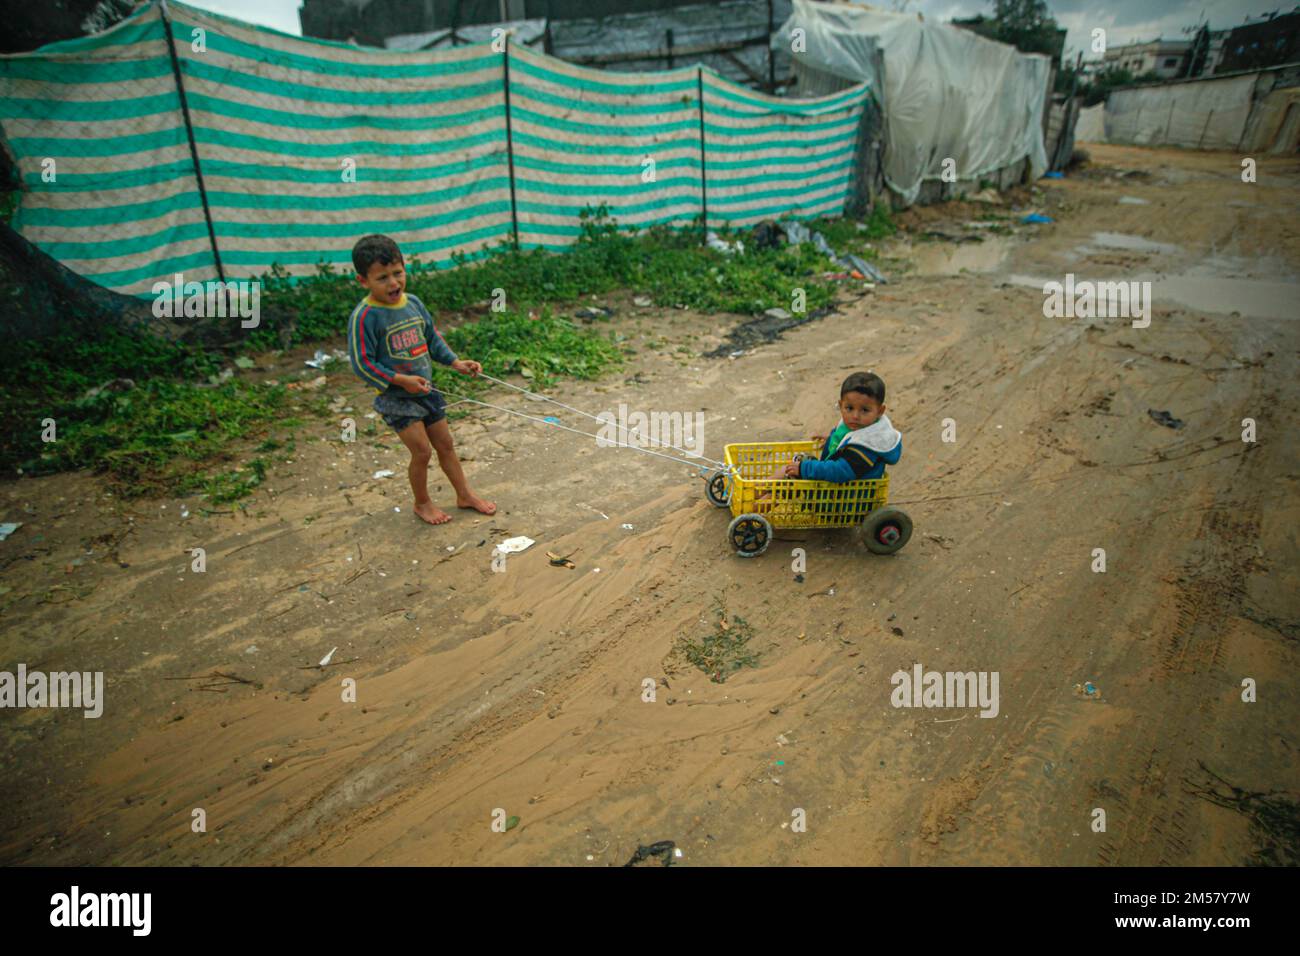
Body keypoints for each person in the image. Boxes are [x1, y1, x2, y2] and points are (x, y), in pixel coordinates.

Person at [347, 234, 495, 525]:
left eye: (398, 273)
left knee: (446, 444)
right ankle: (422, 502)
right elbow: (362, 364)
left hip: (426, 391)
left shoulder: (413, 303)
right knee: (422, 451)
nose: (393, 283)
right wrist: (400, 380)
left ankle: (464, 494)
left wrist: (455, 362)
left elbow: (432, 338)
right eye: (382, 278)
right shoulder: (365, 317)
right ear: (363, 281)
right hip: (397, 398)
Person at [778, 371, 902, 482]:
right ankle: (758, 494)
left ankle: (758, 505)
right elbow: (846, 437)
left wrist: (804, 468)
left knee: (788, 480)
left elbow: (840, 471)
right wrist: (832, 439)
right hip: (835, 489)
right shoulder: (858, 427)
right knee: (788, 469)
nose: (855, 416)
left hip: (849, 498)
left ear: (880, 411)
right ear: (841, 405)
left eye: (864, 410)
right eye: (849, 408)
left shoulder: (869, 444)